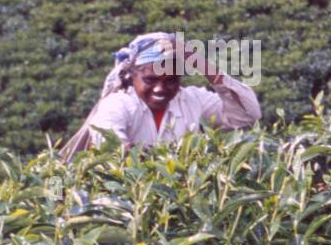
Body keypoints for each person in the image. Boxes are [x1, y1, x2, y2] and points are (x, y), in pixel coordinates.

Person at [61, 32, 261, 161]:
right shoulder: (119, 103)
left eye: (171, 80)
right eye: (150, 80)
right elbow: (110, 142)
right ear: (133, 76)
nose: (160, 89)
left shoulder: (191, 100)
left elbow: (246, 115)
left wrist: (196, 60)